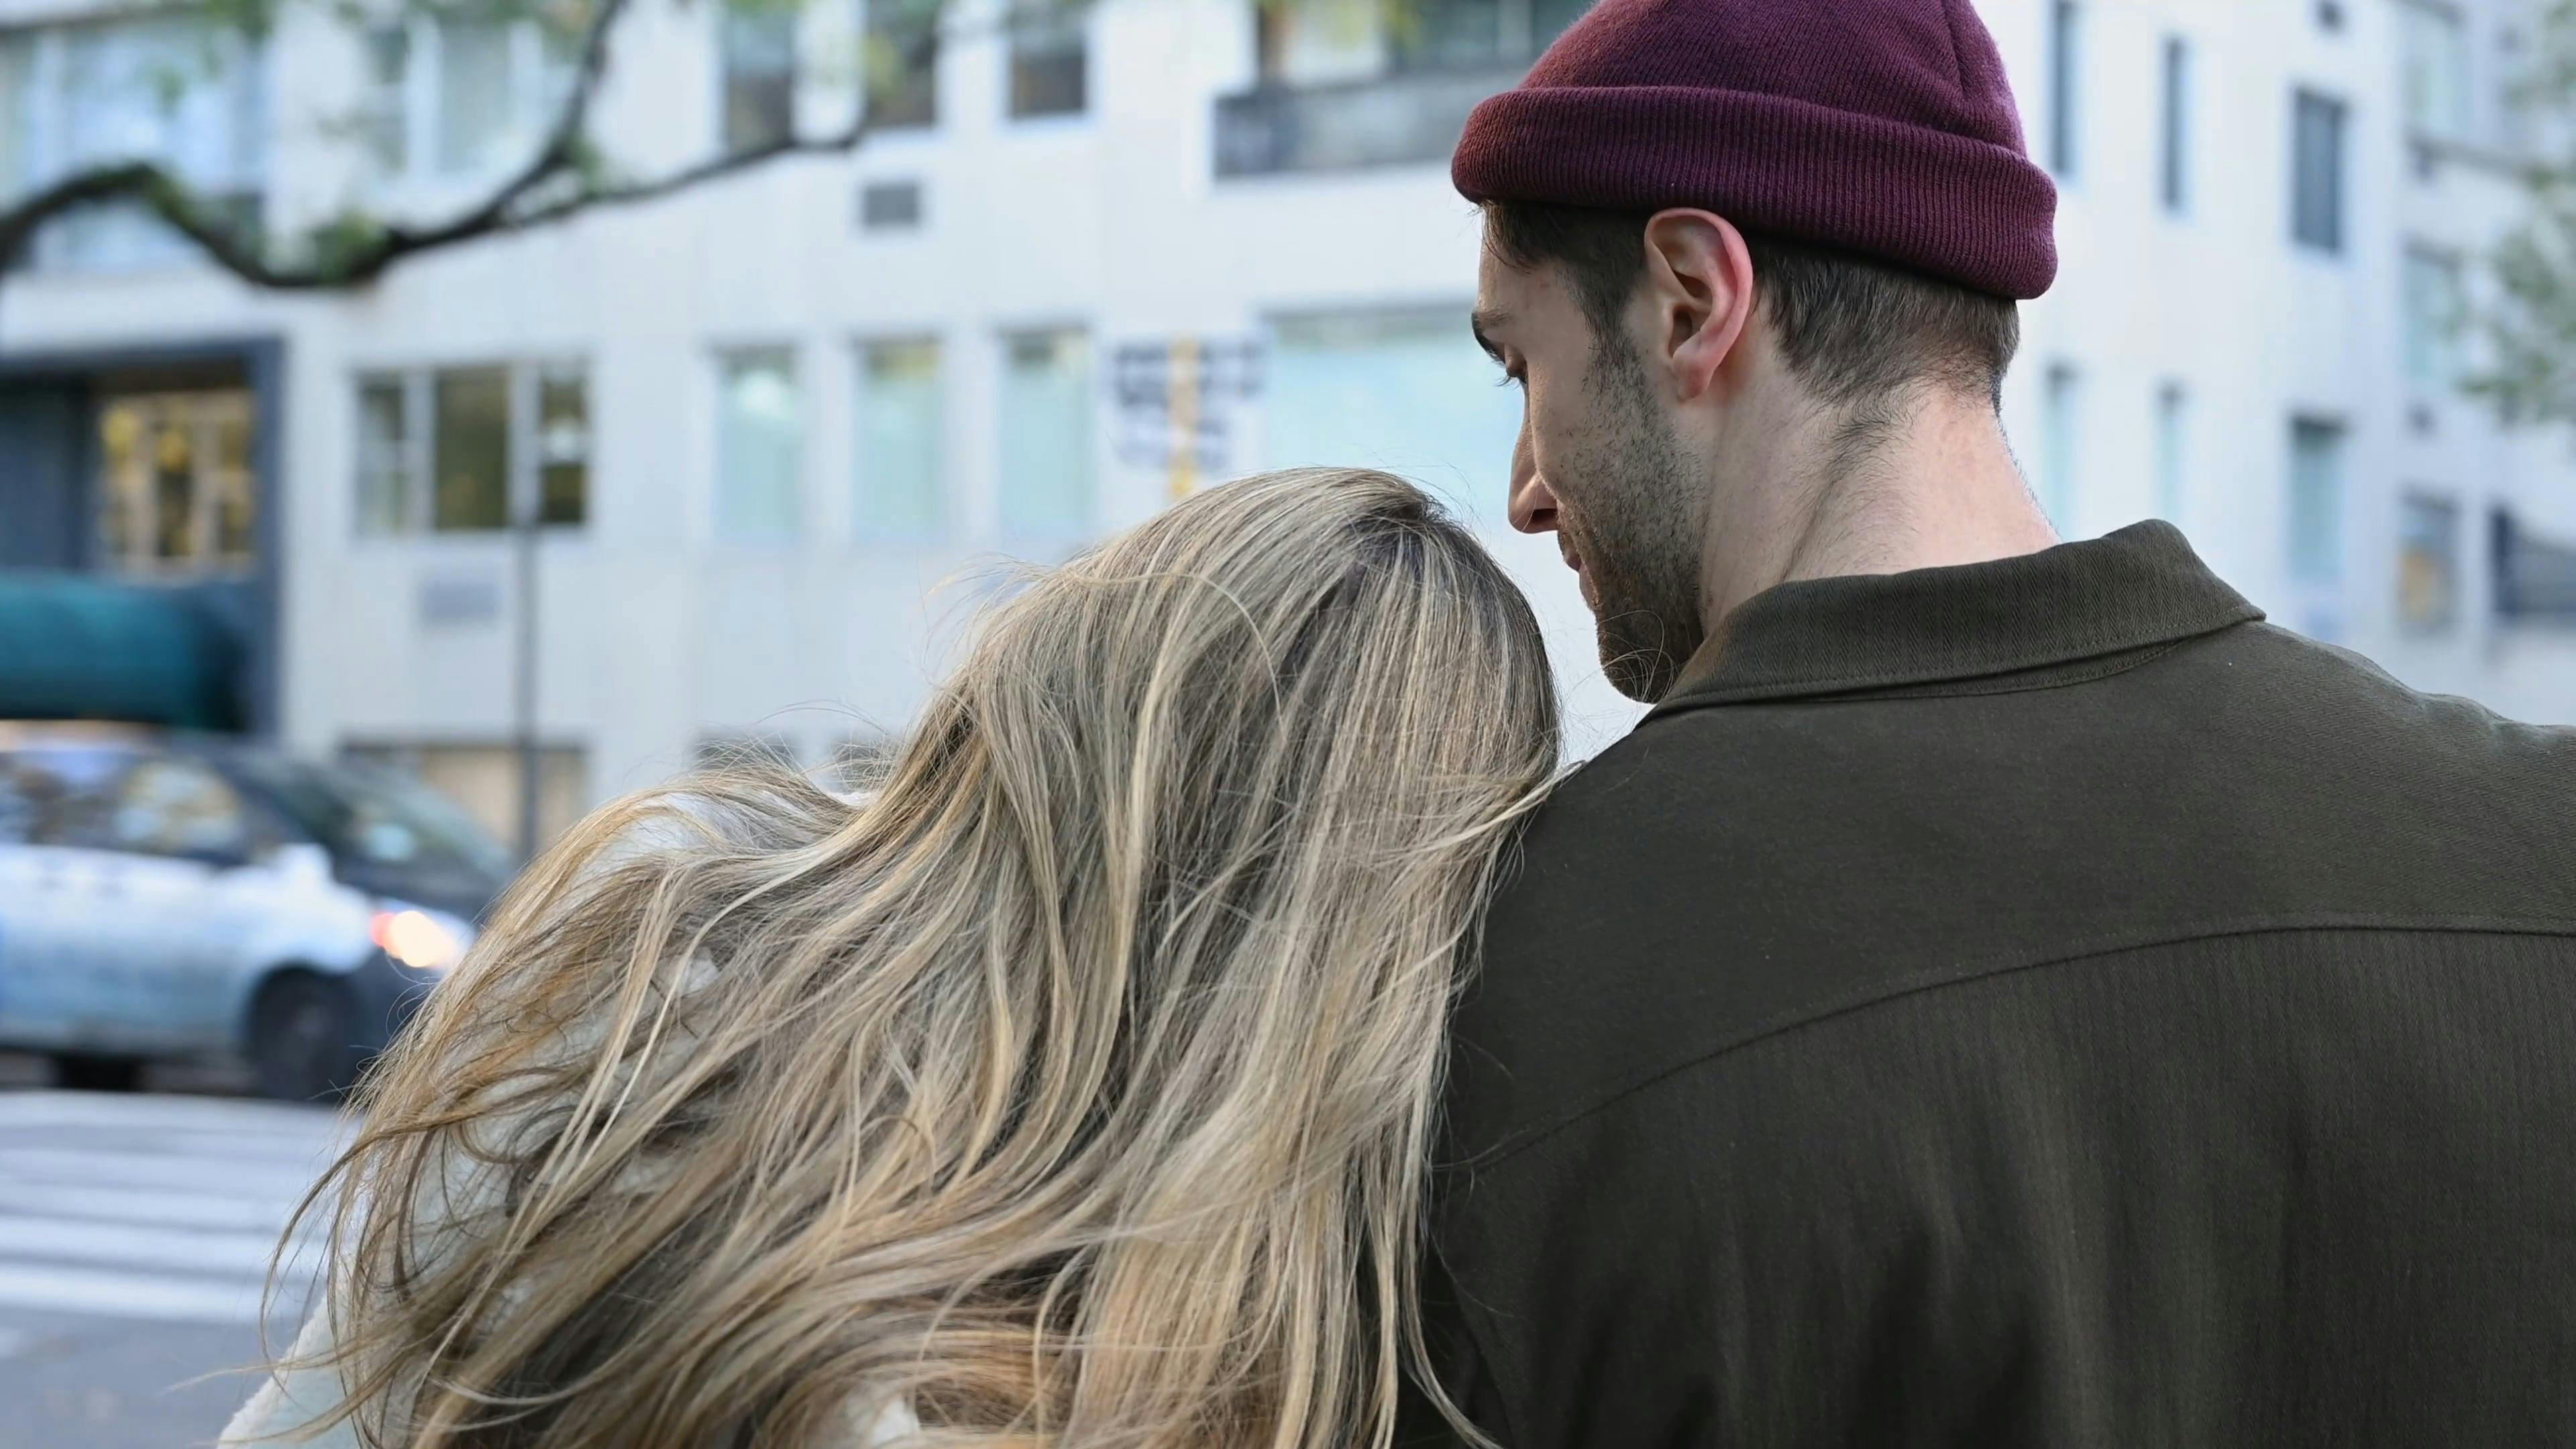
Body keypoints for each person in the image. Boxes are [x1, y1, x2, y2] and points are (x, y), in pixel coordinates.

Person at [1401, 0, 2576, 1444]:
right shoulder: (2538, 850)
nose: (1525, 485)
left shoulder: (1501, 986)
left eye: (1524, 370)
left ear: (1695, 298)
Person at [224, 468, 1559, 1449]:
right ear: (1396, 931)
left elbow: (318, 1418)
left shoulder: (661, 981)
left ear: (1063, 683)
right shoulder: (1304, 1326)